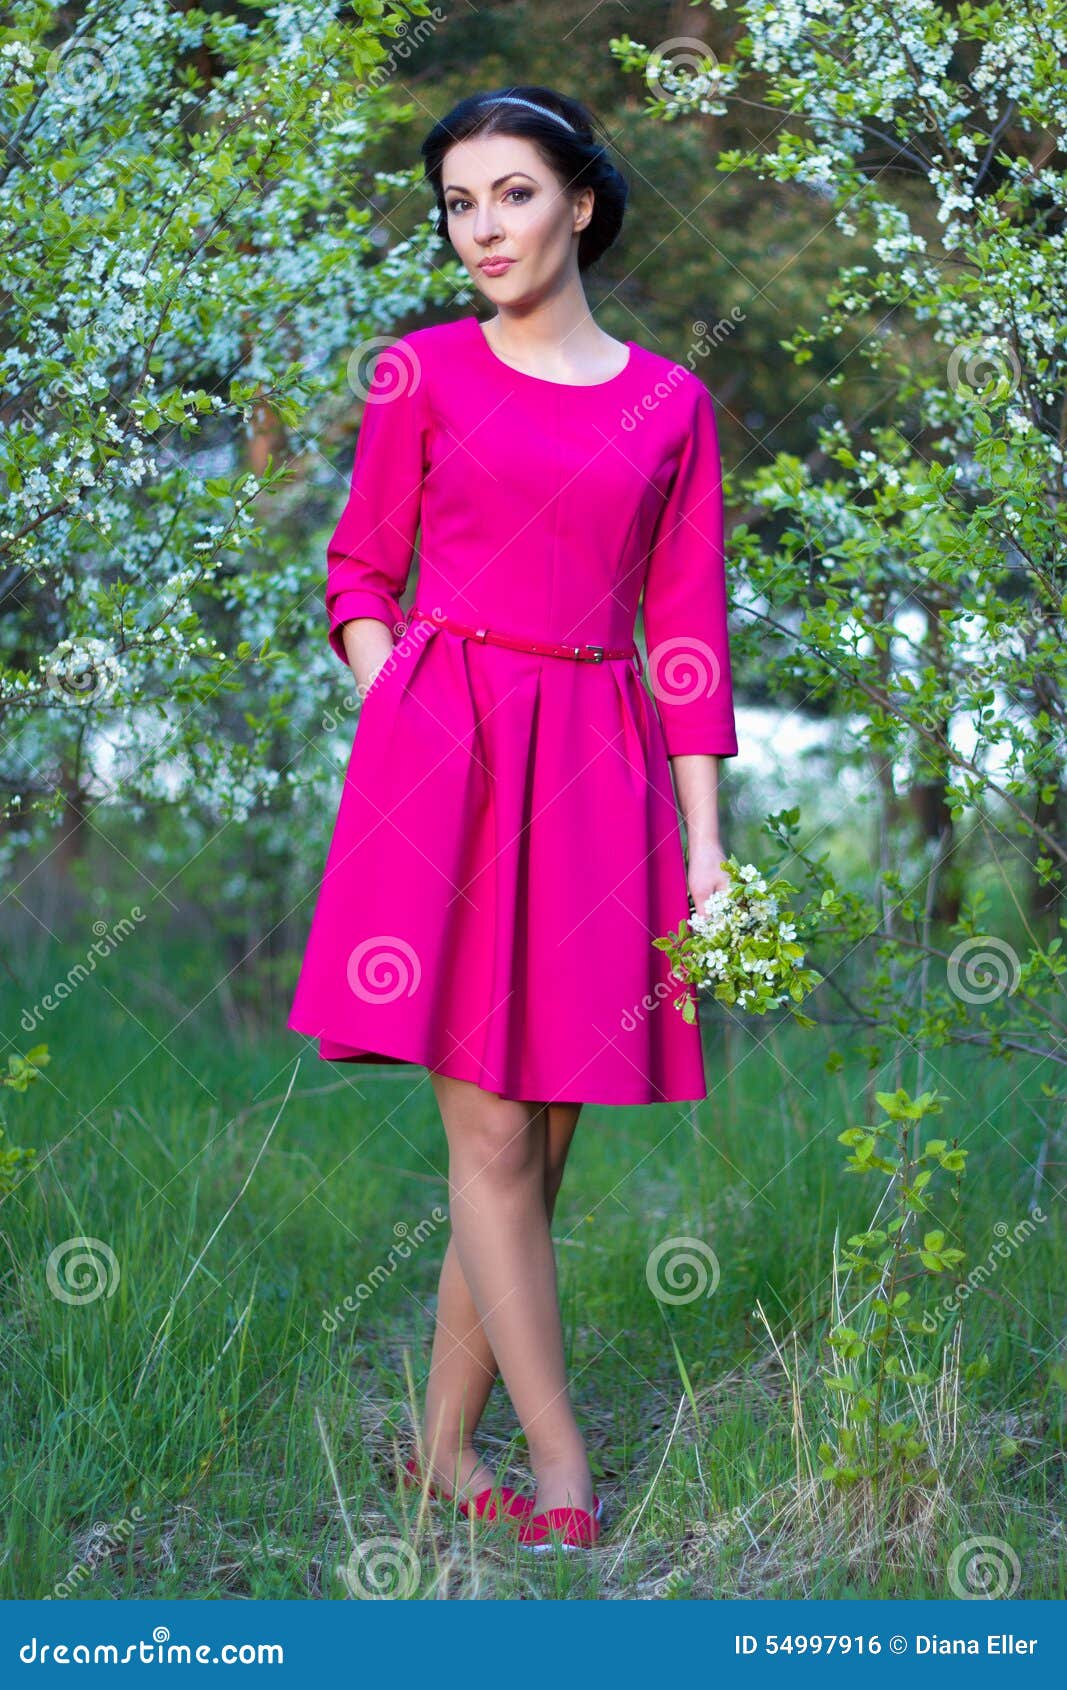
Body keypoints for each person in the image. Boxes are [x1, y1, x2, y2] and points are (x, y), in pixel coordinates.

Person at [288, 84, 739, 1551]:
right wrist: (401, 703)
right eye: (460, 204)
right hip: (444, 758)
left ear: (582, 203)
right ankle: (558, 1466)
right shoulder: (417, 373)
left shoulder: (672, 403)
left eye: (513, 195)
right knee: (483, 1132)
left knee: (540, 1137)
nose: (483, 228)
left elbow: (686, 639)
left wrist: (712, 856)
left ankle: (434, 1442)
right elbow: (360, 573)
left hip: (601, 773)